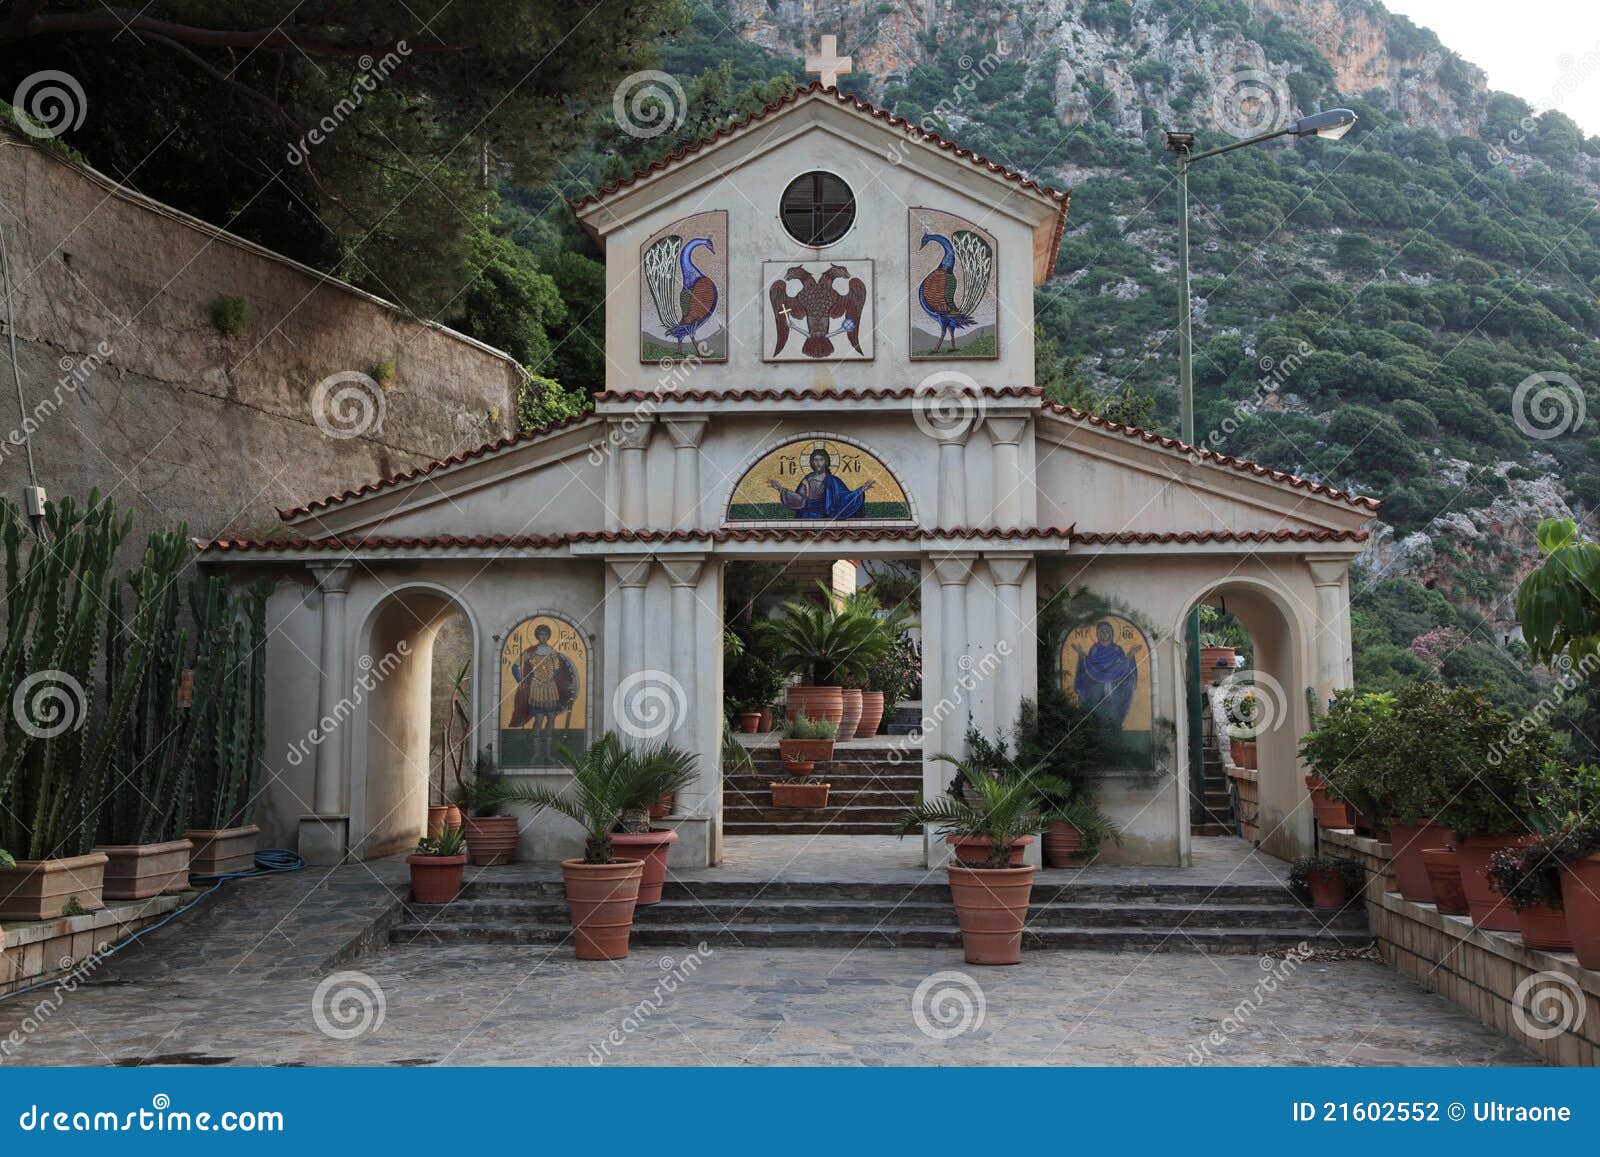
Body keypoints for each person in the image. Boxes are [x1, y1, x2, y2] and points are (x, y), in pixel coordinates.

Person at [508, 624, 578, 763]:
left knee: (551, 719)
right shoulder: (531, 652)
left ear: (548, 636)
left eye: (546, 634)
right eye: (541, 634)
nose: (543, 637)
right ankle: (535, 754)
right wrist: (521, 681)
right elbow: (515, 666)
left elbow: (559, 670)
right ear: (537, 636)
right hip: (536, 689)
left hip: (550, 689)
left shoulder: (552, 652)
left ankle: (548, 754)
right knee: (539, 720)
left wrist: (557, 680)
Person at [767, 447, 875, 519]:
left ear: (826, 461)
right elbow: (800, 500)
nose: (817, 463)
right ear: (811, 462)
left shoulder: (834, 481)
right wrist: (781, 489)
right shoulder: (807, 479)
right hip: (808, 516)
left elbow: (844, 498)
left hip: (827, 515)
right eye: (815, 460)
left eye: (821, 460)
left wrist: (861, 490)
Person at [1071, 620, 1142, 728]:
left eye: (1107, 631)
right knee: (1094, 703)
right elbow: (1089, 666)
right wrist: (1081, 655)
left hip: (1115, 685)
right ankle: (1095, 725)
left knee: (1114, 705)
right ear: (1097, 634)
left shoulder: (1117, 650)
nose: (1104, 634)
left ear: (1112, 634)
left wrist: (1131, 654)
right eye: (1101, 631)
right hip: (1095, 684)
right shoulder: (1094, 649)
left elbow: (1123, 666)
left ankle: (1114, 724)